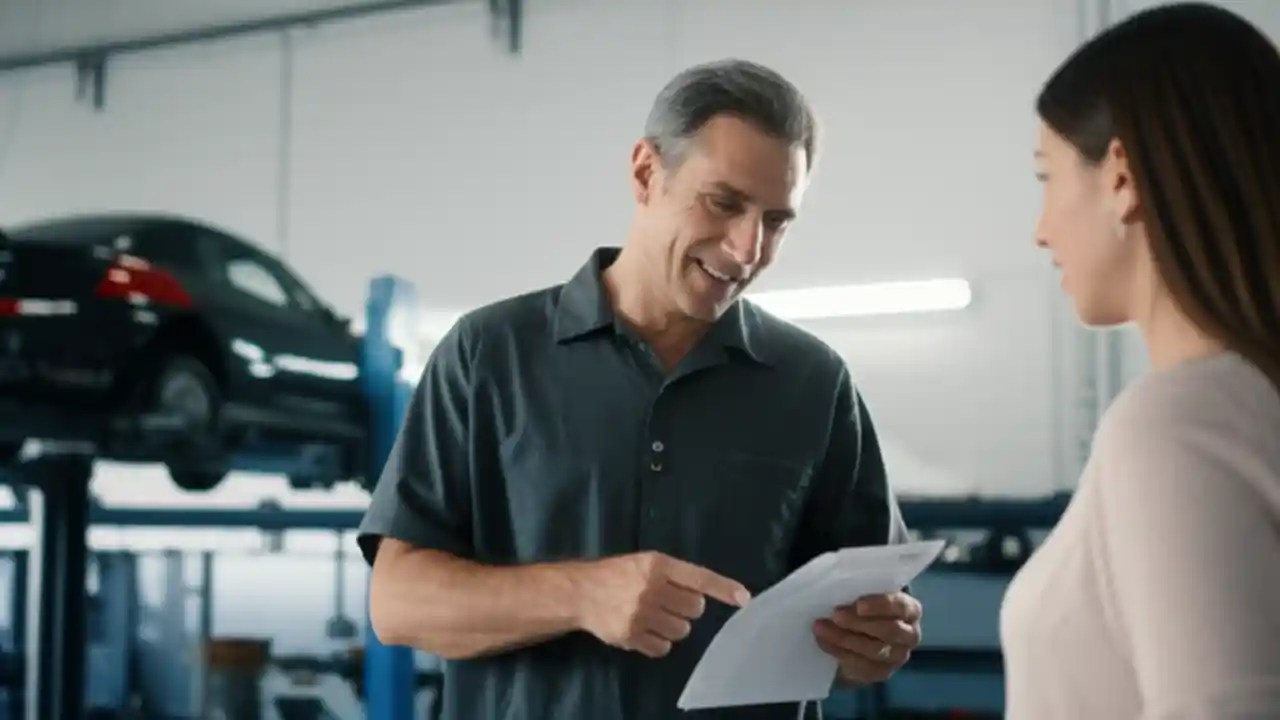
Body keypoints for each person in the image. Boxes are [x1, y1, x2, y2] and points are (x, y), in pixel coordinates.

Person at [357, 59, 920, 719]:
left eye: (777, 221)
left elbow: (861, 633)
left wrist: (878, 641)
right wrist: (581, 595)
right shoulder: (488, 355)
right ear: (647, 173)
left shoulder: (814, 384)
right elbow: (397, 605)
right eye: (724, 203)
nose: (747, 249)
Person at [1002, 3, 1280, 718]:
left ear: (1121, 176)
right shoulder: (1247, 401)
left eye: (1046, 176)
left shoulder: (1175, 423)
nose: (1040, 230)